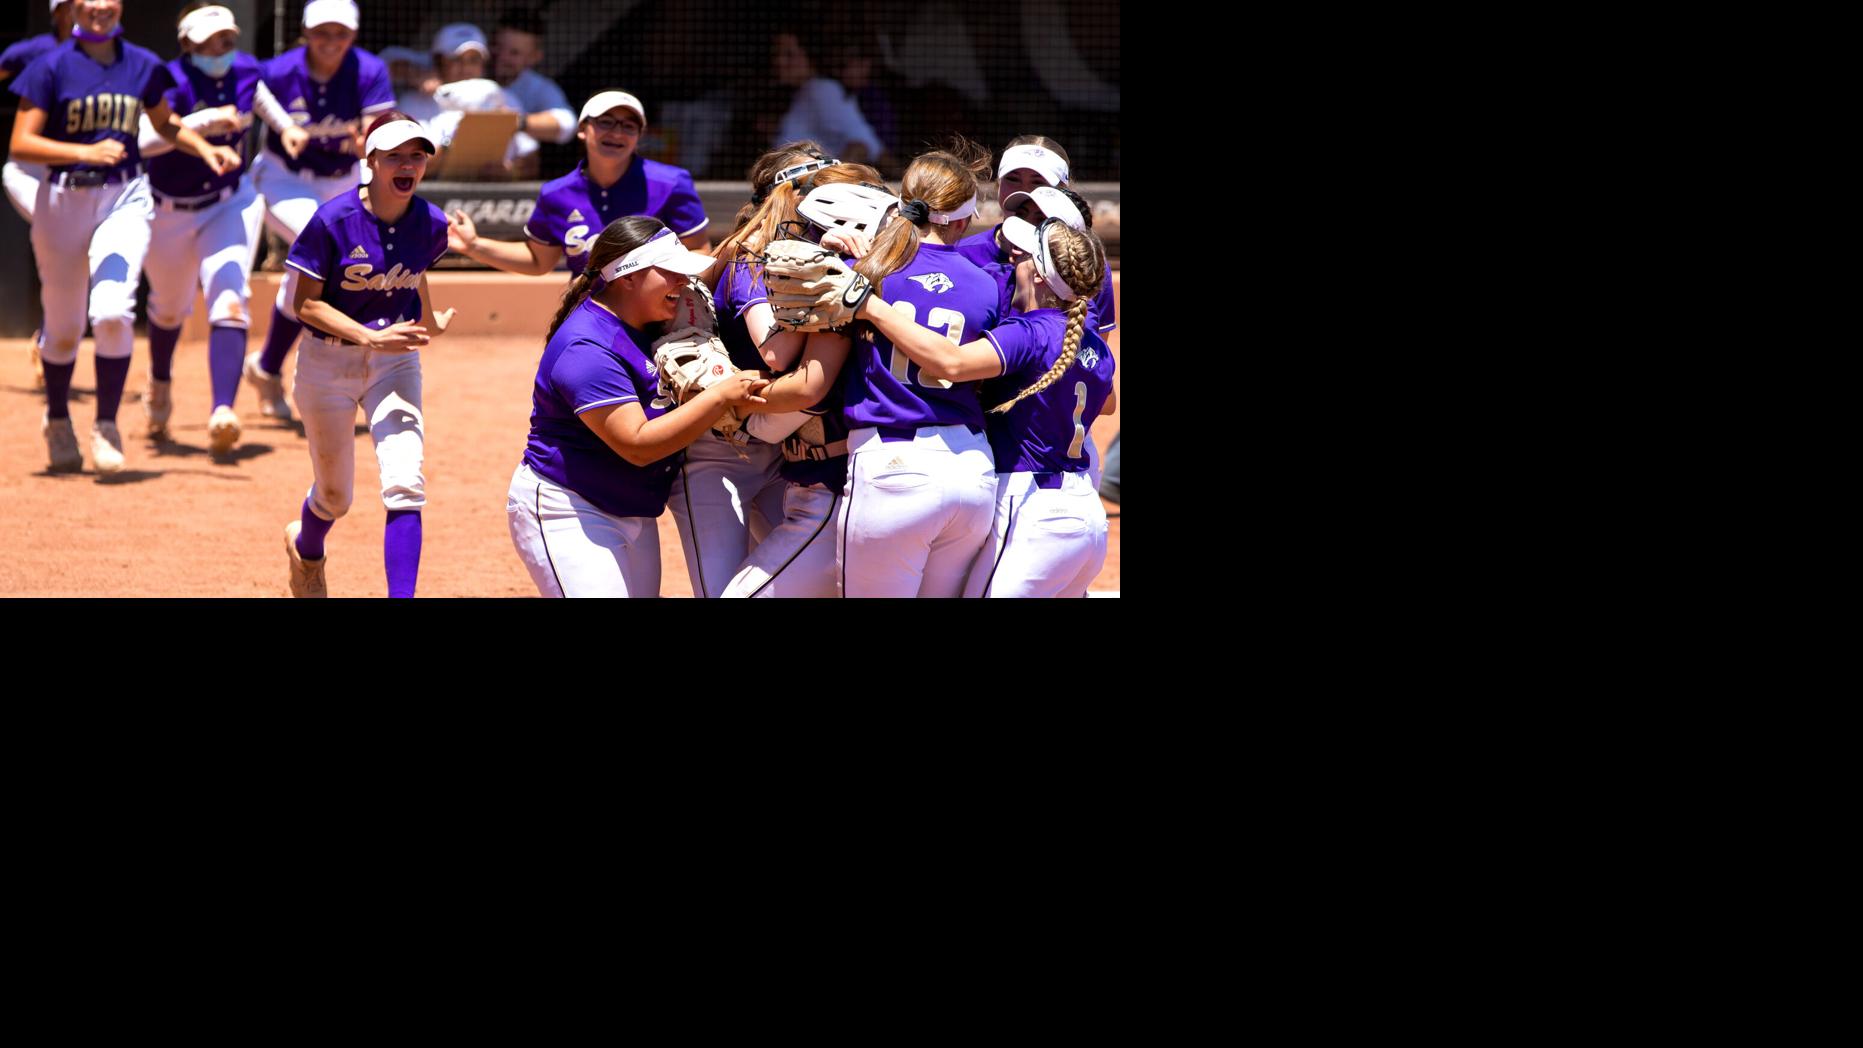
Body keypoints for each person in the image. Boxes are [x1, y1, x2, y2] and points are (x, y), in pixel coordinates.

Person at [7, 0, 241, 475]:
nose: (99, 7)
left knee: (113, 310)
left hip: (125, 197)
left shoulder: (142, 64)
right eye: (87, 0)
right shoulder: (50, 67)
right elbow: (21, 143)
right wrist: (81, 151)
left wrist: (202, 147)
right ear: (73, 8)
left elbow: (164, 123)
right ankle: (56, 418)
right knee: (65, 328)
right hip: (64, 200)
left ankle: (107, 424)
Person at [844, 218, 1116, 597]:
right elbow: (1108, 404)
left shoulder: (1031, 331)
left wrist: (873, 307)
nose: (1014, 261)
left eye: (1023, 257)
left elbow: (951, 364)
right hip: (1086, 519)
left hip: (1033, 512)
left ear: (1037, 275)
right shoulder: (1095, 346)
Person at [778, 143, 1002, 597]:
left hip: (892, 465)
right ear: (963, 219)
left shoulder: (868, 268)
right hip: (974, 471)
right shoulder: (989, 281)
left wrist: (829, 249)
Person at [506, 217, 767, 598]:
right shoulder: (587, 348)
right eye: (670, 272)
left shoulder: (653, 325)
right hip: (571, 508)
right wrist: (722, 394)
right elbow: (637, 445)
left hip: (634, 509)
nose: (683, 282)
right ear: (627, 277)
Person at [278, 112, 450, 598]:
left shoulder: (432, 222)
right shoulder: (332, 220)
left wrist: (428, 319)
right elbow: (304, 304)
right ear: (369, 161)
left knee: (405, 482)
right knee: (335, 496)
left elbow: (415, 271)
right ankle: (306, 549)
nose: (408, 164)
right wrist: (368, 336)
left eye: (416, 155)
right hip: (326, 362)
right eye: (394, 154)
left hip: (394, 364)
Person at [718, 169, 894, 598]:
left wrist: (723, 401)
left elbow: (806, 388)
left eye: (813, 230)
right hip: (816, 480)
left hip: (834, 486)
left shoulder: (842, 286)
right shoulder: (873, 280)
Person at [243, 0, 393, 425]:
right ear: (306, 33)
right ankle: (288, 369)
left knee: (307, 269)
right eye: (322, 32)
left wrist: (366, 140)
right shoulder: (278, 70)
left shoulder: (367, 69)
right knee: (321, 244)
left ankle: (267, 367)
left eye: (340, 33)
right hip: (283, 177)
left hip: (342, 179)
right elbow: (244, 90)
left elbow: (378, 129)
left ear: (354, 35)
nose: (331, 42)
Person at [135, 3, 269, 454]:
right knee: (168, 309)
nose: (220, 49)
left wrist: (287, 128)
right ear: (188, 45)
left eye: (226, 40)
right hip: (167, 211)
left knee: (230, 296)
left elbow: (263, 98)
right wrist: (207, 121)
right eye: (208, 43)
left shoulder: (247, 69)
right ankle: (159, 382)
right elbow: (147, 140)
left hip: (227, 203)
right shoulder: (166, 79)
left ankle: (223, 410)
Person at [445, 89, 709, 276]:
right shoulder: (555, 194)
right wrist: (474, 246)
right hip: (587, 315)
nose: (616, 133)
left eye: (629, 126)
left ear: (639, 136)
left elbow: (699, 250)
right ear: (583, 129)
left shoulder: (672, 183)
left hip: (657, 314)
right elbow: (538, 260)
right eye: (605, 122)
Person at [3, 0, 80, 390]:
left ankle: (47, 337)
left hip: (72, 175)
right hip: (28, 171)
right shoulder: (31, 51)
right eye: (71, 5)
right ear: (59, 11)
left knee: (71, 245)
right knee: (64, 238)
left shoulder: (106, 58)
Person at [772, 31, 884, 165]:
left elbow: (863, 143)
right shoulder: (801, 94)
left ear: (809, 57)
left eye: (789, 55)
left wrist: (834, 181)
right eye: (776, 54)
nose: (779, 61)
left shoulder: (822, 90)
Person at [489, 8, 574, 149]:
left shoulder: (538, 87)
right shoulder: (465, 72)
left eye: (514, 53)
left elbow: (567, 124)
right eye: (496, 46)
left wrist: (514, 122)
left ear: (534, 57)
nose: (502, 57)